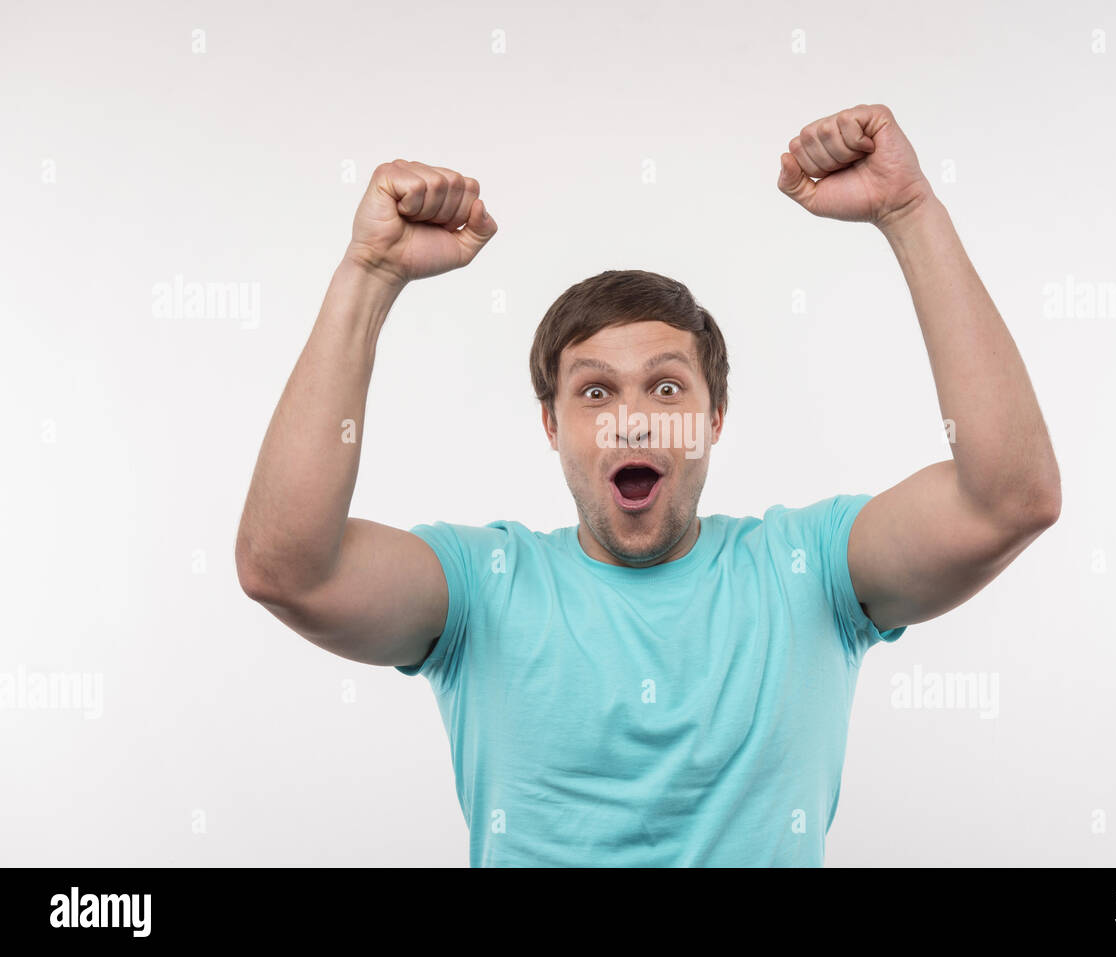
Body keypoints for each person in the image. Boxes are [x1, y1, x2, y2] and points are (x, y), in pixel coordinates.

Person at [235, 103, 1061, 866]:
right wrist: (370, 272)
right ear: (552, 427)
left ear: (714, 418)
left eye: (667, 387)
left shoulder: (808, 570)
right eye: (595, 391)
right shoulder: (481, 587)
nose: (634, 421)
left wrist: (910, 212)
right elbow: (286, 567)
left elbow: (1009, 497)